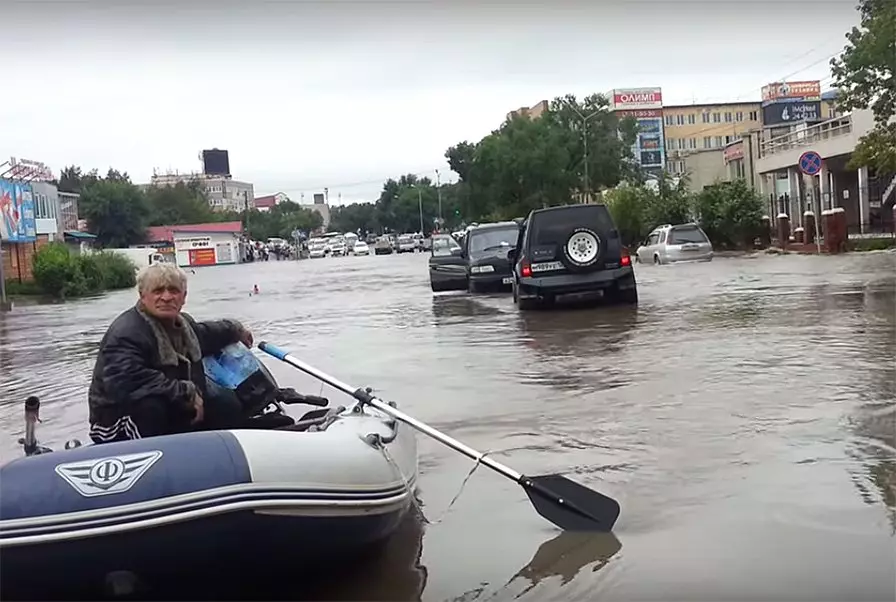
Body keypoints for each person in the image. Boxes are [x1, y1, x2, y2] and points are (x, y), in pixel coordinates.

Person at [88, 263, 254, 444]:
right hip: (114, 422)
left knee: (224, 404)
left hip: (173, 404)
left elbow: (208, 334)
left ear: (184, 297)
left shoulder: (184, 325)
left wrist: (236, 330)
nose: (166, 297)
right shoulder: (127, 332)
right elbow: (127, 382)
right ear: (143, 296)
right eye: (158, 290)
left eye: (173, 290)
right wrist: (187, 392)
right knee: (151, 407)